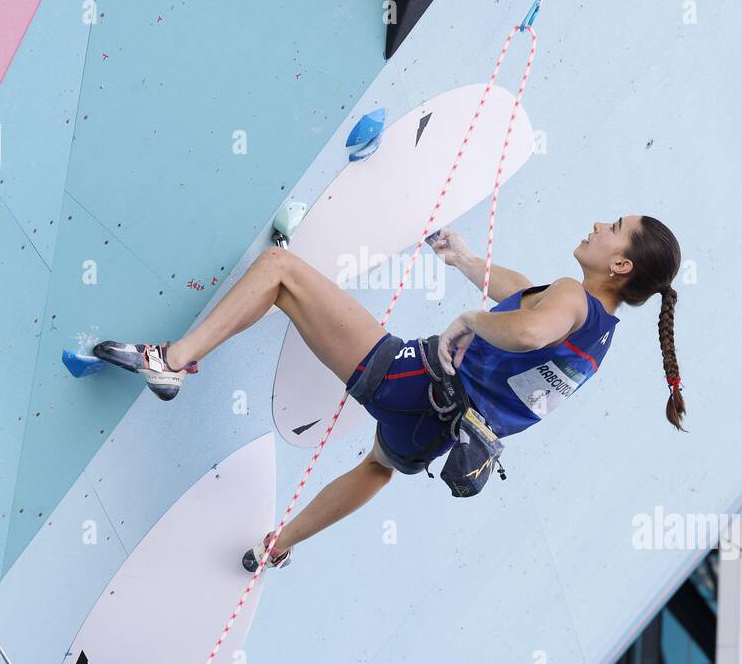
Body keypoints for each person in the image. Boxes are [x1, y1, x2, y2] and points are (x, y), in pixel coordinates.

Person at [94, 215, 684, 572]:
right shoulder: (598, 334)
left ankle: (169, 361)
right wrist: (462, 257)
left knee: (280, 269)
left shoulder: (572, 299)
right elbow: (524, 297)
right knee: (377, 467)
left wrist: (471, 321)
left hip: (416, 381)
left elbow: (528, 325)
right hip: (438, 436)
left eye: (613, 230)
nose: (598, 225)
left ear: (622, 264)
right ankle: (278, 546)